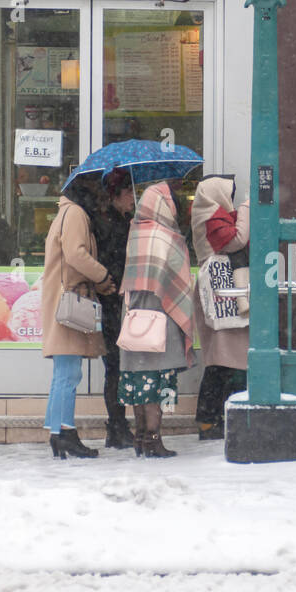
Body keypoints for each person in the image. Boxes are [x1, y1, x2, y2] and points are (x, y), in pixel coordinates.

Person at [119, 181, 196, 458]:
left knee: (140, 380)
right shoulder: (166, 235)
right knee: (158, 381)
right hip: (161, 315)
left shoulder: (135, 231)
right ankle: (153, 439)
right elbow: (176, 281)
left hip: (135, 317)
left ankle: (141, 438)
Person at [41, 177, 116, 460]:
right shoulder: (75, 213)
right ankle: (65, 432)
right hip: (68, 302)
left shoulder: (68, 211)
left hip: (62, 298)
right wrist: (103, 275)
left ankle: (57, 432)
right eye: (98, 188)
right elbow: (76, 254)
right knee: (69, 372)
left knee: (63, 371)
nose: (101, 194)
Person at [190, 175, 250, 440]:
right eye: (230, 192)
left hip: (221, 290)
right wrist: (248, 210)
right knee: (222, 358)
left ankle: (214, 417)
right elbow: (235, 240)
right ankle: (209, 418)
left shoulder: (212, 214)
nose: (233, 198)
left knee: (224, 358)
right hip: (220, 292)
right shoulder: (211, 217)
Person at [84, 169, 137, 449]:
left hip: (120, 301)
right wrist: (111, 281)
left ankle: (118, 426)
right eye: (128, 192)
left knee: (118, 366)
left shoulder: (124, 220)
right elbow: (108, 261)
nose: (133, 198)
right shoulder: (105, 223)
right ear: (115, 195)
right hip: (110, 303)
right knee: (115, 366)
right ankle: (116, 427)